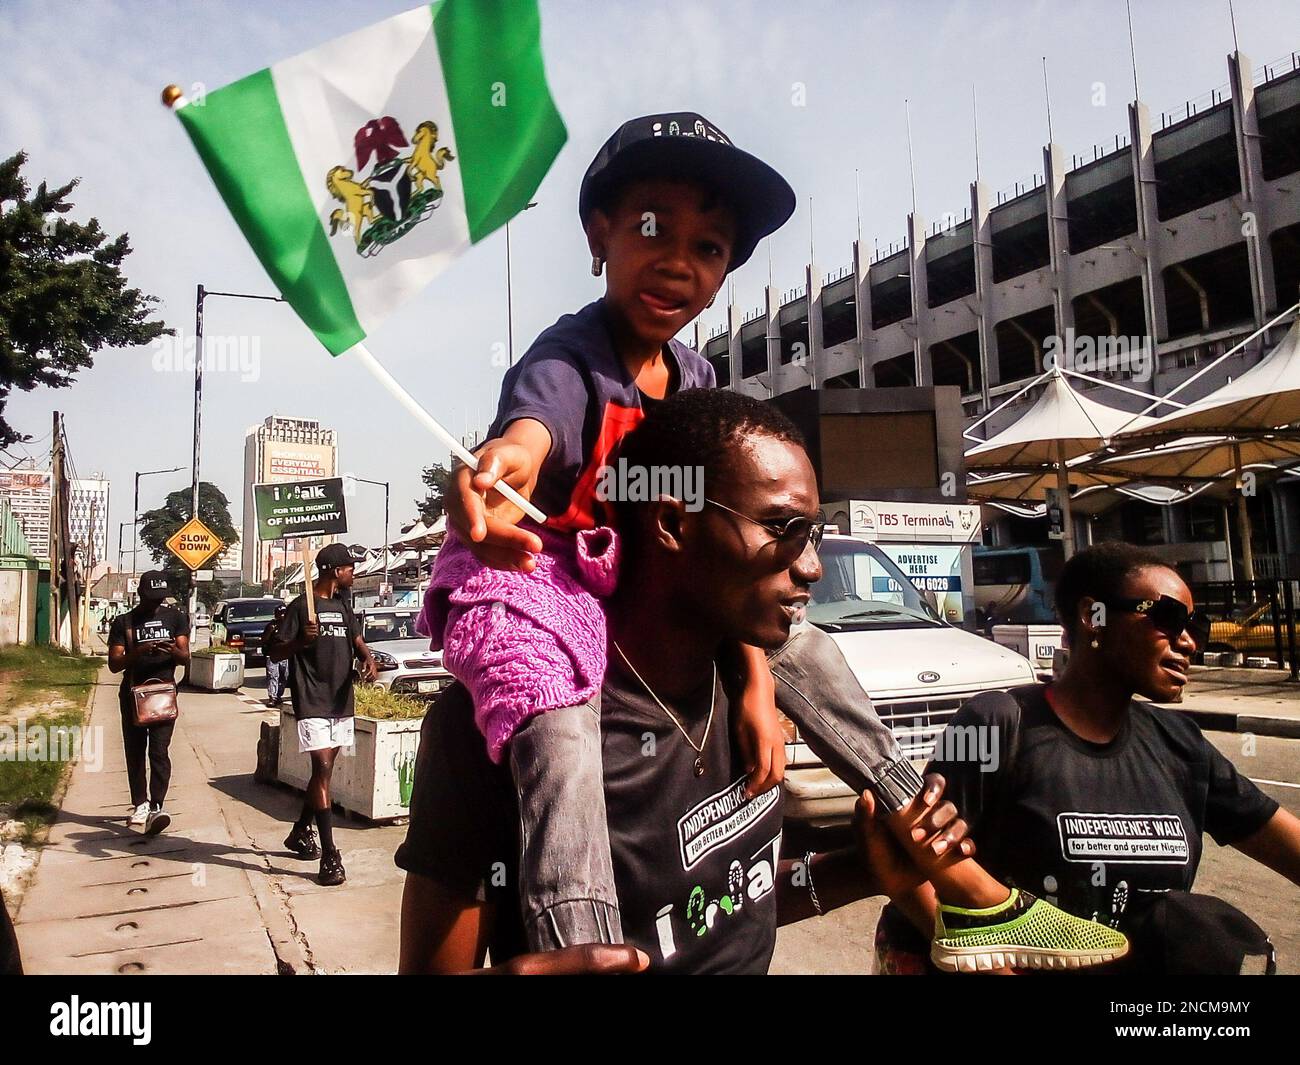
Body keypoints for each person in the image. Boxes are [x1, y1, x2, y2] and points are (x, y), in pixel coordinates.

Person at [424, 114, 1125, 968]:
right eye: (652, 227)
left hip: (649, 586)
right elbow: (532, 428)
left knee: (813, 650)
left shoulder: (702, 382)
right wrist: (507, 464)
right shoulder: (568, 358)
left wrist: (755, 676)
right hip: (551, 583)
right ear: (597, 232)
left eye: (710, 246)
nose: (680, 260)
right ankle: (585, 937)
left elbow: (735, 897)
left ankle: (958, 869)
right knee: (558, 727)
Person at [399, 388, 1127, 973]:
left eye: (812, 533)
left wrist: (865, 871)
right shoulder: (498, 731)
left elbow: (713, 906)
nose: (810, 566)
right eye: (784, 530)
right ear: (672, 522)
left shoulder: (751, 686)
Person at [876, 542, 1300, 974]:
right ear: (1091, 616)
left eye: (1197, 626)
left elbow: (1285, 841)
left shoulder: (1180, 743)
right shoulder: (995, 723)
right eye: (1167, 618)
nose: (1188, 642)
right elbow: (914, 868)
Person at [271, 543, 378, 886]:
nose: (353, 572)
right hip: (312, 699)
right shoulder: (302, 607)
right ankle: (331, 854)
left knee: (324, 775)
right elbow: (273, 651)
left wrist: (367, 658)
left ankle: (301, 830)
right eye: (349, 567)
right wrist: (300, 641)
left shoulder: (343, 606)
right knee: (323, 768)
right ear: (334, 570)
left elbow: (356, 639)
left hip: (340, 699)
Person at [107, 570, 188, 835]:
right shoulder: (124, 623)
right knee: (135, 751)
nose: (156, 604)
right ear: (141, 594)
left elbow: (185, 657)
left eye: (160, 598)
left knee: (159, 751)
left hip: (164, 694)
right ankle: (140, 804)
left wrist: (171, 651)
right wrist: (139, 651)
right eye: (152, 598)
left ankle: (158, 806)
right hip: (134, 695)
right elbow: (114, 664)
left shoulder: (176, 618)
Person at [262, 605, 289, 707]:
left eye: (284, 613)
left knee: (284, 676)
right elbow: (264, 640)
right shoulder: (271, 626)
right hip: (272, 655)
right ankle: (272, 697)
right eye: (280, 614)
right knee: (273, 676)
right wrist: (270, 632)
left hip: (285, 655)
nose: (282, 616)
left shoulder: (289, 626)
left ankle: (278, 696)